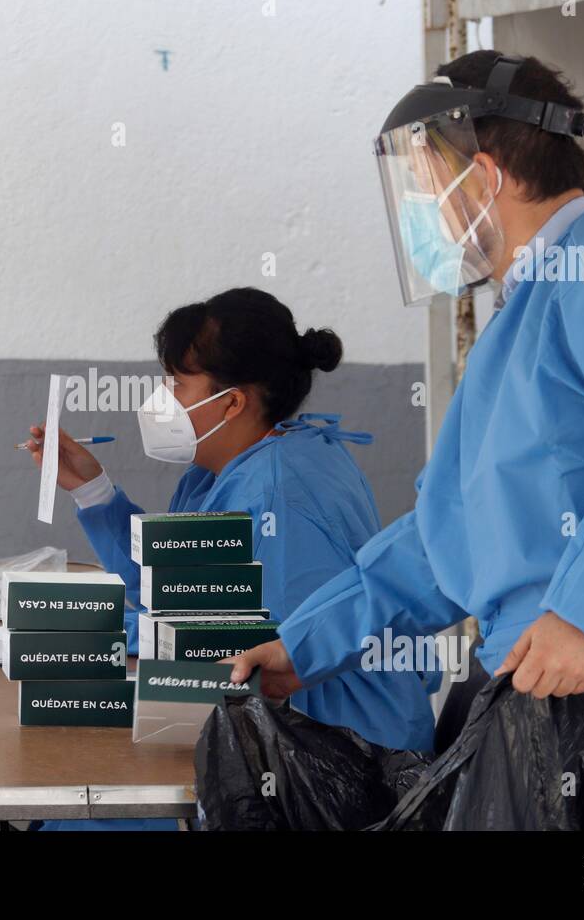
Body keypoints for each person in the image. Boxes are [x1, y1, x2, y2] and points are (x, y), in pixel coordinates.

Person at [227, 52, 584, 830]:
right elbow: (460, 532)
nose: (421, 212)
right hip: (565, 699)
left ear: (484, 174)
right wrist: (306, 643)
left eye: (425, 186)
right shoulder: (533, 308)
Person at [22, 288, 439, 830]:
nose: (161, 399)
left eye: (176, 383)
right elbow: (177, 585)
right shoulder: (227, 468)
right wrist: (95, 493)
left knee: (84, 818)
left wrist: (87, 629)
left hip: (341, 758)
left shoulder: (278, 493)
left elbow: (247, 647)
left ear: (232, 401)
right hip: (277, 731)